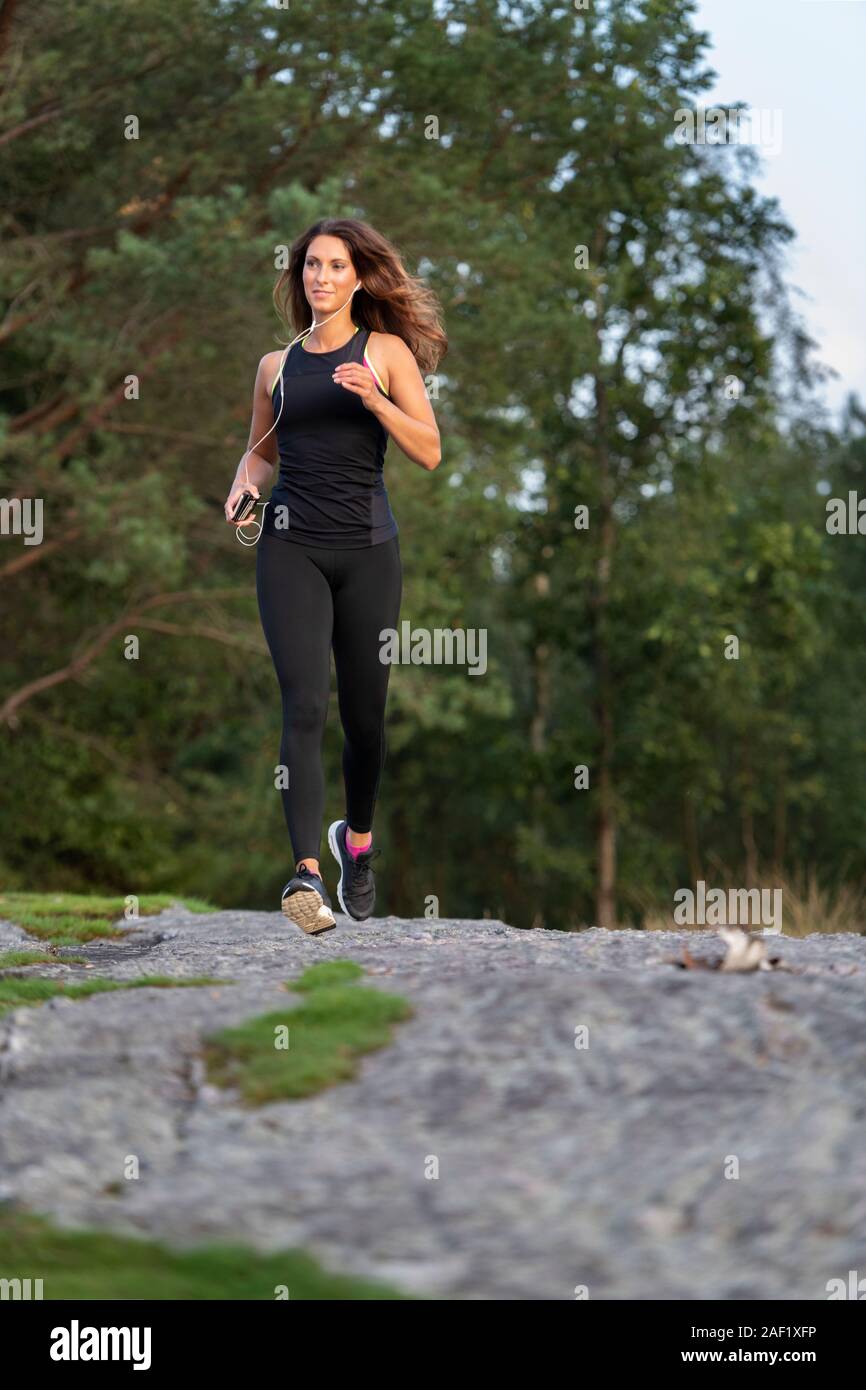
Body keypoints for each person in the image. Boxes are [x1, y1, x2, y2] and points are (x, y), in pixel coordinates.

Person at [224, 218, 445, 933]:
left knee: (365, 721)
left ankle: (356, 844)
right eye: (310, 266)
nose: (319, 277)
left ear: (357, 278)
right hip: (291, 547)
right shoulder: (275, 367)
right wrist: (245, 485)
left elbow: (430, 451)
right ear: (299, 278)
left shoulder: (384, 353)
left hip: (369, 552)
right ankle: (304, 876)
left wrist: (376, 398)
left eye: (334, 266)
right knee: (304, 704)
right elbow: (261, 452)